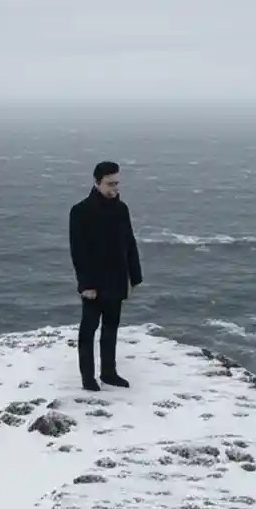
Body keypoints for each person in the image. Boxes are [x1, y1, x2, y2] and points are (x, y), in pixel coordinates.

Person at [69, 161, 143, 391]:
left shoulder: (122, 209)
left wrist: (135, 277)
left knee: (111, 328)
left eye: (117, 183)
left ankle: (109, 373)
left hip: (117, 280)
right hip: (93, 284)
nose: (115, 188)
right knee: (88, 330)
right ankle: (87, 378)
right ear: (97, 182)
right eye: (110, 184)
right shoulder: (80, 211)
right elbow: (78, 252)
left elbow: (130, 243)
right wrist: (86, 285)